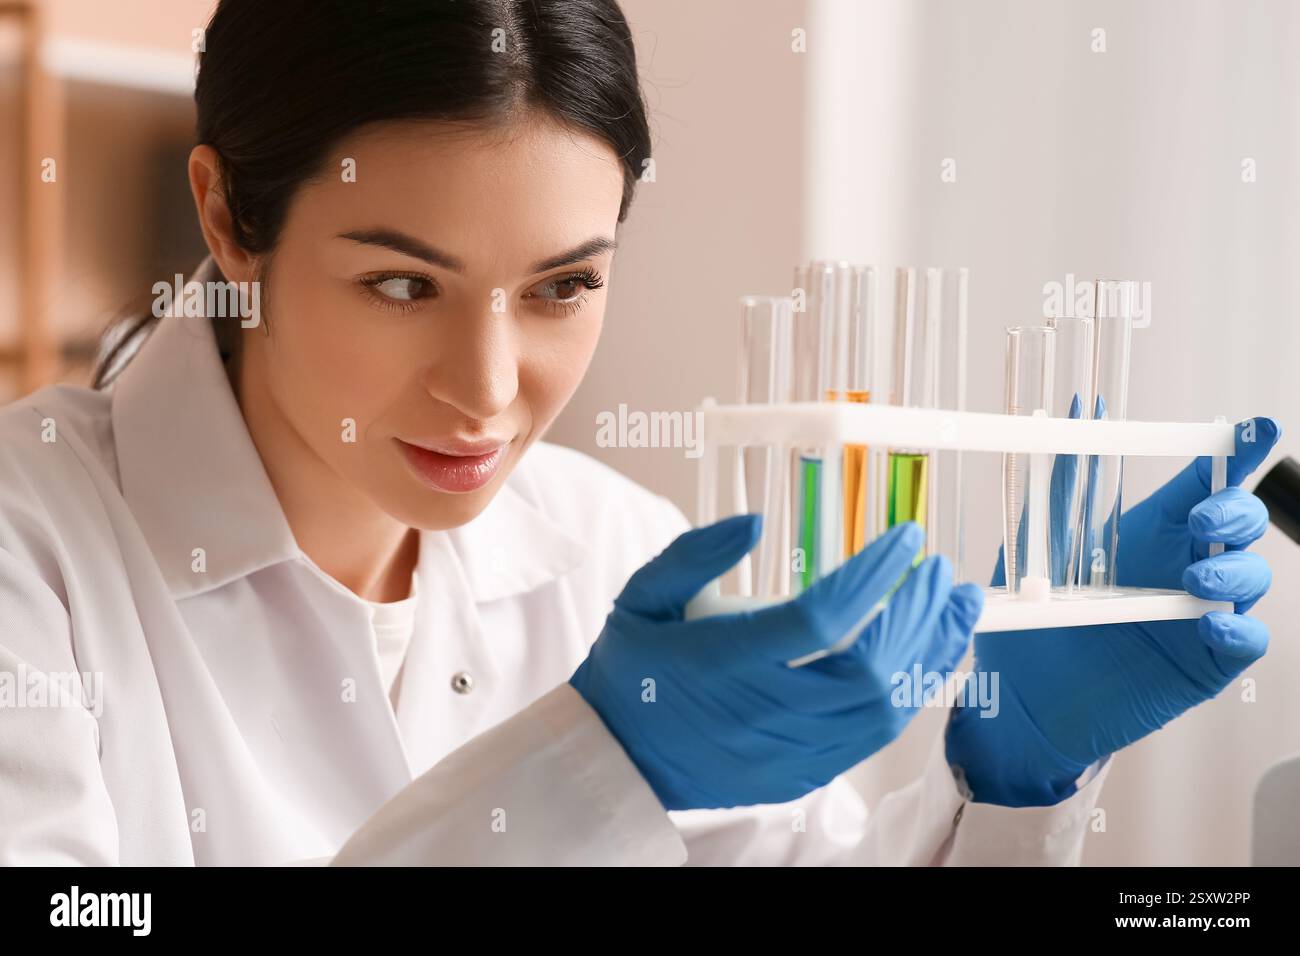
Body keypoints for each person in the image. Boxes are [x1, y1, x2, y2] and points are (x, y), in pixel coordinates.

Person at [0, 0, 1275, 866]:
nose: (488, 391)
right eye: (401, 284)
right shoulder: (34, 556)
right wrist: (582, 766)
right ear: (228, 219)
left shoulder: (614, 545)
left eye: (561, 286)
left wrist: (1006, 780)